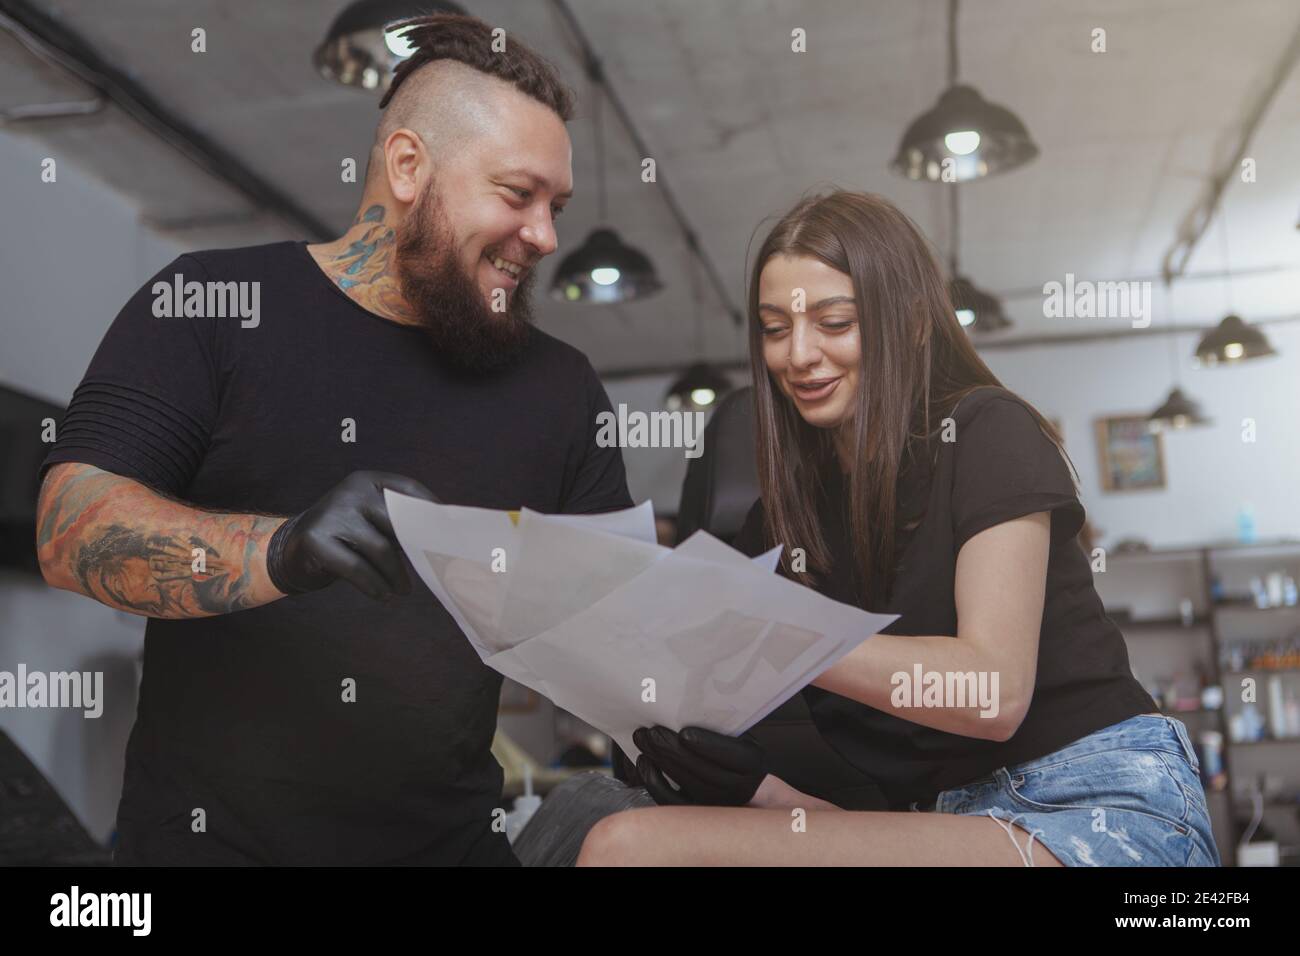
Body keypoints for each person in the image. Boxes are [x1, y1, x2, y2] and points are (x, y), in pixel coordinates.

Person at [35, 13, 632, 865]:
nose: (545, 235)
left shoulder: (563, 388)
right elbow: (69, 529)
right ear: (406, 165)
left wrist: (679, 727)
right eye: (516, 195)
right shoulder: (214, 305)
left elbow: (609, 629)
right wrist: (280, 551)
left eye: (557, 207)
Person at [578, 191, 1220, 866]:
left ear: (912, 323)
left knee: (632, 848)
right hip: (951, 822)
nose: (798, 355)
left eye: (833, 321)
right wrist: (756, 788)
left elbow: (991, 694)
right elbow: (887, 819)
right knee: (621, 840)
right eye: (773, 329)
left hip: (1100, 804)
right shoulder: (781, 524)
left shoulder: (985, 431)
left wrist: (775, 627)